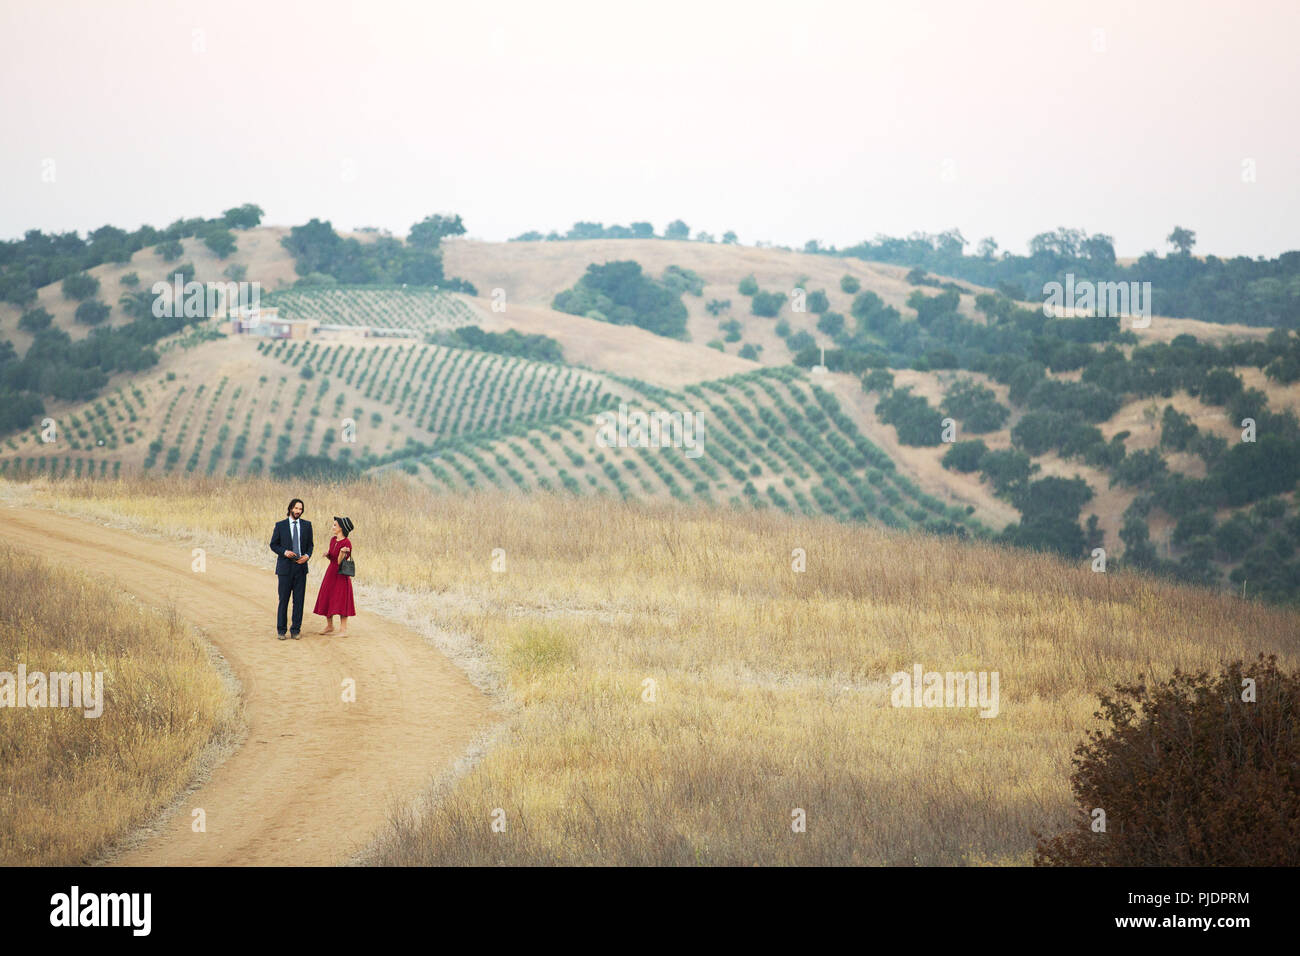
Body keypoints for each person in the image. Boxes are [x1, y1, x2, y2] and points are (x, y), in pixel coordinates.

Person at [269, 498, 313, 640]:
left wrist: (307, 556)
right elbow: (273, 544)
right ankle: (281, 630)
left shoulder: (307, 525)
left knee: (299, 601)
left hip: (301, 567)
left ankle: (295, 630)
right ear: (290, 509)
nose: (298, 511)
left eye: (300, 509)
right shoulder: (280, 525)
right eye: (296, 508)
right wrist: (285, 552)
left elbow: (311, 545)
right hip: (285, 568)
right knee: (284, 600)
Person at [313, 516, 356, 636]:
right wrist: (327, 555)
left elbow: (339, 562)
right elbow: (332, 557)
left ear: (341, 528)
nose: (333, 527)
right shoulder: (333, 540)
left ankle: (343, 629)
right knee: (327, 595)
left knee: (342, 600)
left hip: (341, 574)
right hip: (331, 572)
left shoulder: (347, 542)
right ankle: (330, 625)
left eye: (335, 525)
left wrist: (343, 553)